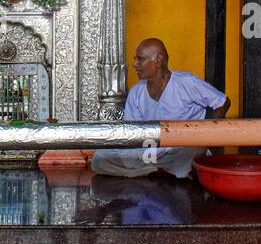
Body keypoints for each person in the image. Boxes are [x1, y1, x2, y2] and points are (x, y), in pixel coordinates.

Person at [91, 37, 230, 180]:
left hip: (180, 150)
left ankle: (154, 171)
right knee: (100, 158)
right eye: (135, 59)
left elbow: (223, 102)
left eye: (140, 59)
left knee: (192, 150)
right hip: (149, 152)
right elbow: (132, 132)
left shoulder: (187, 83)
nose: (134, 64)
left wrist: (204, 133)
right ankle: (161, 171)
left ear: (158, 60)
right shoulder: (136, 92)